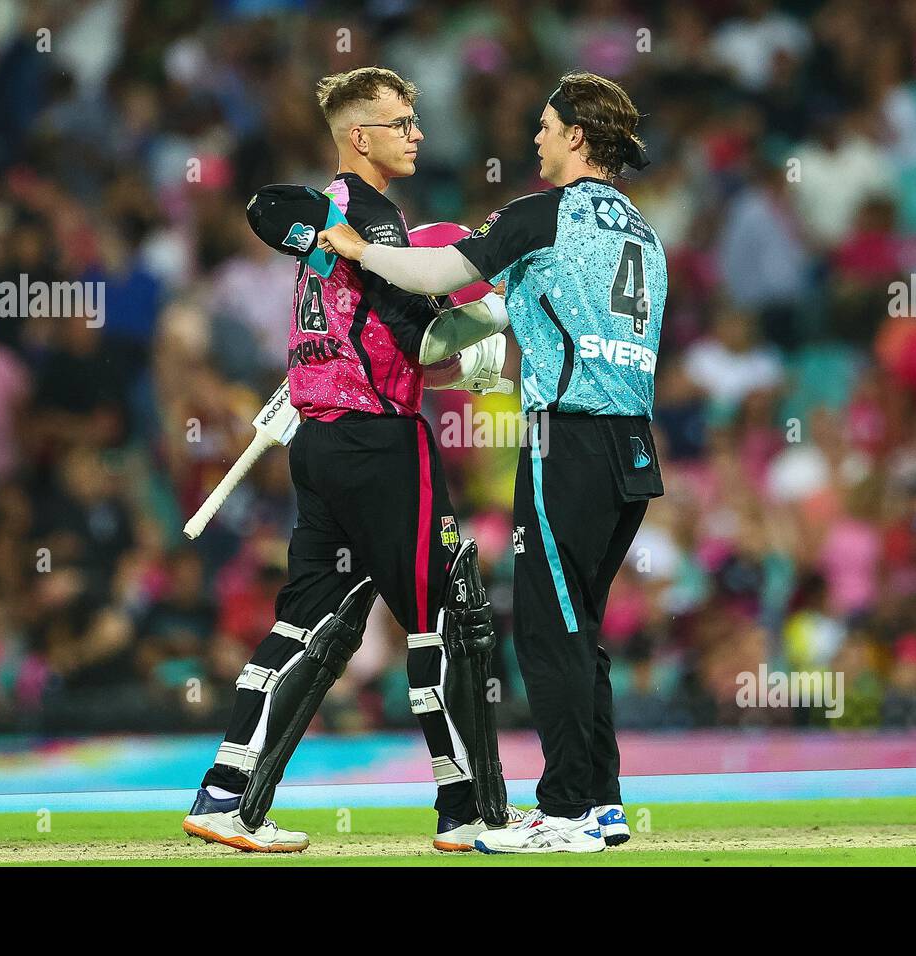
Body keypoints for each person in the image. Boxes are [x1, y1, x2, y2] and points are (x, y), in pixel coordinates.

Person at [319, 71, 667, 853]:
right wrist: (484, 331)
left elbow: (441, 274)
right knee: (578, 627)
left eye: (546, 126)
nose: (536, 138)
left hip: (567, 438)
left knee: (546, 629)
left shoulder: (543, 214)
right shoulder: (640, 228)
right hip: (633, 446)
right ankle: (603, 804)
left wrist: (355, 246)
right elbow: (522, 310)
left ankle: (568, 809)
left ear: (577, 134)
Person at [183, 67, 518, 854]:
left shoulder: (329, 224)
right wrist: (489, 329)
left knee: (309, 624)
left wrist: (455, 353)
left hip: (321, 443)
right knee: (451, 616)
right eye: (402, 122)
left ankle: (226, 797)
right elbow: (417, 341)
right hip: (381, 443)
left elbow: (369, 339)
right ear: (360, 136)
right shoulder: (371, 223)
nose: (418, 134)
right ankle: (471, 812)